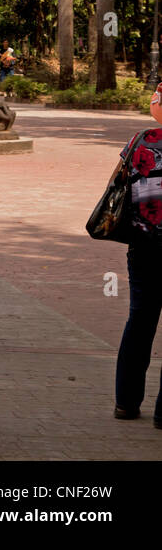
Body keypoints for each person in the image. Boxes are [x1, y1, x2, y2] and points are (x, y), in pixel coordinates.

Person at [112, 125, 162, 428]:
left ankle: (126, 402)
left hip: (144, 243)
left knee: (140, 319)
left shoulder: (142, 139)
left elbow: (117, 182)